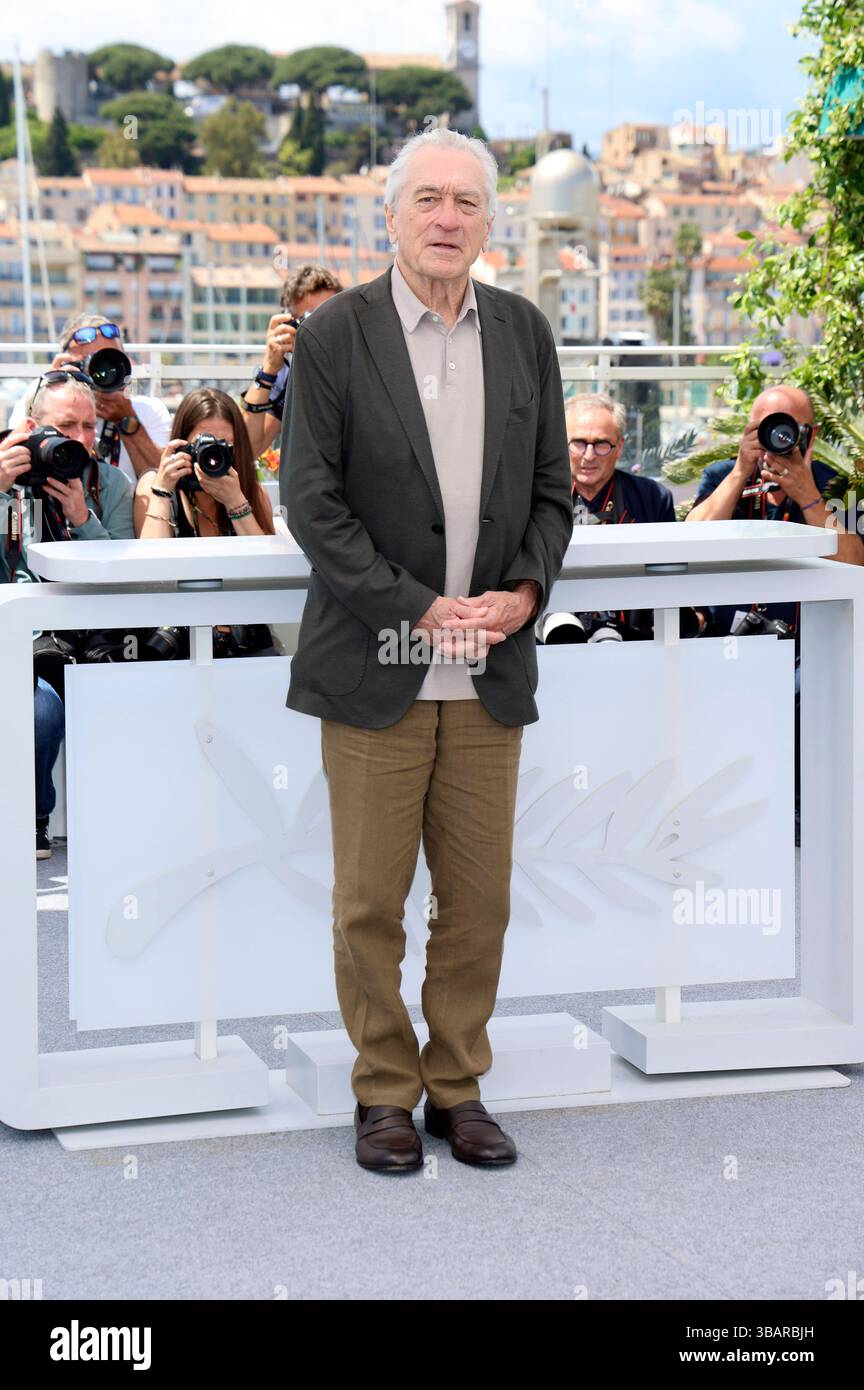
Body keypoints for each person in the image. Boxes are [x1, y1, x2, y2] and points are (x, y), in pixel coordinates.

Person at [280, 126, 574, 1173]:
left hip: (491, 666)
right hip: (376, 660)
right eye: (430, 201)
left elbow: (553, 491)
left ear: (490, 222)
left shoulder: (526, 333)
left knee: (478, 898)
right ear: (392, 215)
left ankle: (457, 1084)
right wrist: (416, 605)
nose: (449, 219)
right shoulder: (334, 337)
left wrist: (527, 592)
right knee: (369, 899)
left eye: (468, 203)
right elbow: (309, 502)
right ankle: (383, 1093)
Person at [0, 369, 134, 856]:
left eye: (87, 425)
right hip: (19, 633)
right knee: (40, 710)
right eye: (66, 426)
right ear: (33, 428)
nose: (78, 438)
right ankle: (34, 817)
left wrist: (83, 519)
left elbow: (123, 574)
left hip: (88, 633)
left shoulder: (111, 483)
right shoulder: (6, 475)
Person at [686, 384, 864, 636]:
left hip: (809, 645)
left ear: (811, 435)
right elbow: (690, 541)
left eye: (788, 428)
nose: (777, 438)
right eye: (764, 428)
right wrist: (739, 472)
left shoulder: (836, 486)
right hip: (729, 639)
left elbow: (855, 564)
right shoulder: (723, 477)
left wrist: (809, 496)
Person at [536, 391, 700, 642]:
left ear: (619, 447)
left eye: (601, 444)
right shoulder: (537, 498)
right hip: (556, 631)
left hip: (632, 635)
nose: (589, 456)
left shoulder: (652, 498)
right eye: (578, 443)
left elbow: (668, 578)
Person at [134, 387, 277, 658]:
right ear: (181, 444)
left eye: (224, 445)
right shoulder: (155, 487)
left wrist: (236, 503)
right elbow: (147, 572)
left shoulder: (251, 493)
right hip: (176, 642)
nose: (212, 455)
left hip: (246, 640)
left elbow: (268, 575)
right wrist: (164, 490)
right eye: (203, 443)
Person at [8, 312, 172, 486]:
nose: (102, 373)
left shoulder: (149, 410)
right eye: (91, 363)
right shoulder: (40, 404)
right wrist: (50, 386)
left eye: (110, 361)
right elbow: (13, 457)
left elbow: (163, 483)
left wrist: (128, 421)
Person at [240, 265, 343, 460]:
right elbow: (249, 449)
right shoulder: (288, 374)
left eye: (331, 316)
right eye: (311, 320)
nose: (322, 328)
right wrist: (269, 369)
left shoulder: (360, 357)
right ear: (291, 324)